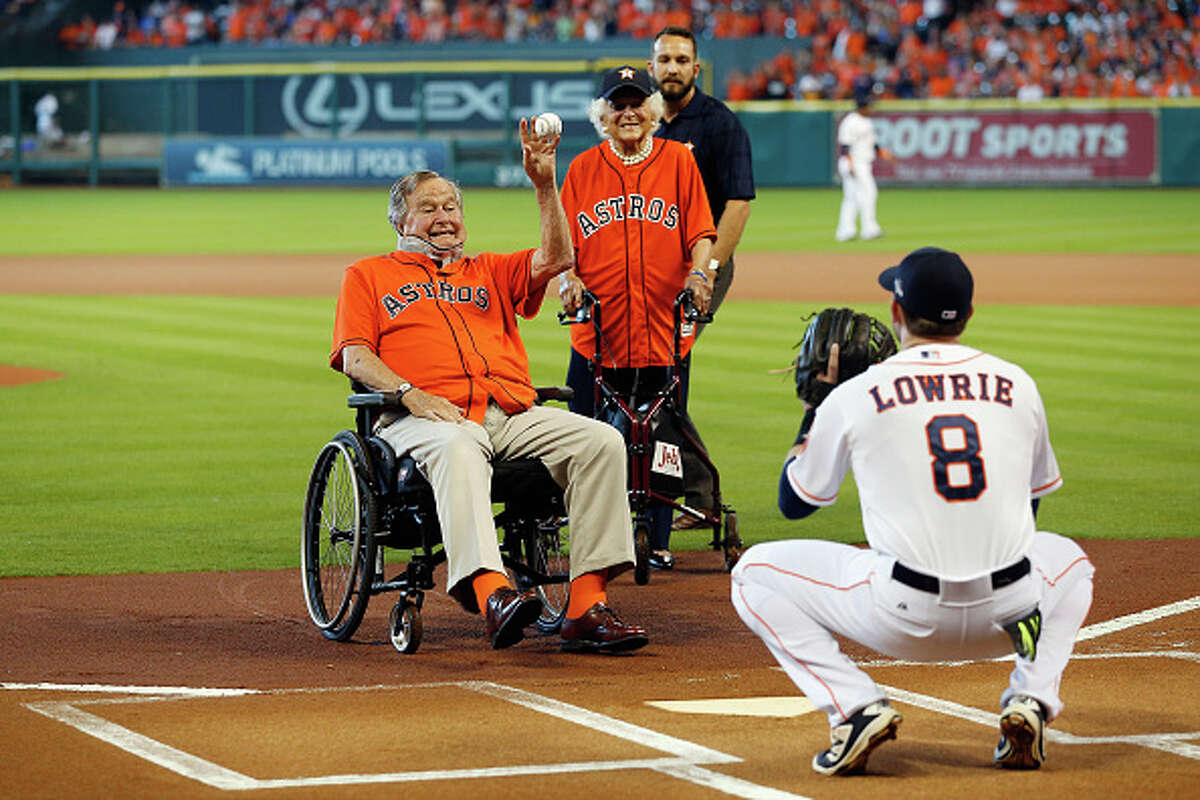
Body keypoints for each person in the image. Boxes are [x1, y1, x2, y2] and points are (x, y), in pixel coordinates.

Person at [731, 247, 1095, 775]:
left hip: (904, 619)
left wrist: (815, 410)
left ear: (896, 314)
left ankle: (854, 708)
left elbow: (796, 504)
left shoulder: (856, 394)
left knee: (752, 574)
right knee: (1073, 564)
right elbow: (1030, 506)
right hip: (1011, 611)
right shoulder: (1018, 383)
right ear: (969, 315)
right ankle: (1032, 699)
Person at [329, 123, 648, 655]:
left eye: (451, 206)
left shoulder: (490, 270)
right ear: (400, 220)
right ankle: (491, 592)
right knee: (460, 445)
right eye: (429, 207)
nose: (444, 216)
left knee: (601, 441)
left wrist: (544, 184)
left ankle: (586, 605)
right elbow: (356, 356)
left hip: (508, 409)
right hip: (423, 419)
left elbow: (557, 259)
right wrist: (411, 394)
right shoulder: (368, 275)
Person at [558, 65, 716, 570]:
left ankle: (658, 535)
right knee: (583, 433)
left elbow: (701, 233)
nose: (628, 113)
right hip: (598, 331)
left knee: (662, 437)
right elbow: (562, 244)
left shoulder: (678, 162)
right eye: (617, 105)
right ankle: (588, 536)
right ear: (602, 114)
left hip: (663, 329)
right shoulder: (583, 168)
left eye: (635, 104)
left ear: (651, 110)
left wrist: (701, 275)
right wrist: (568, 279)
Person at [649, 25, 756, 533]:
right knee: (652, 377)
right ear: (653, 68)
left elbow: (737, 206)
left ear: (696, 68)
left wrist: (706, 271)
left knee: (663, 372)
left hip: (699, 268)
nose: (672, 67)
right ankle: (680, 493)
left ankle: (694, 495)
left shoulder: (719, 125)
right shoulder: (643, 122)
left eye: (681, 59)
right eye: (664, 59)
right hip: (649, 270)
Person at [835, 86, 893, 242]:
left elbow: (872, 142)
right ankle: (869, 229)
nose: (871, 109)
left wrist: (882, 151)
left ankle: (845, 231)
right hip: (854, 162)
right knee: (868, 193)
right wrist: (850, 165)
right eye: (868, 106)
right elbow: (845, 146)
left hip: (861, 162)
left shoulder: (865, 121)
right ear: (862, 107)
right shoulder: (850, 121)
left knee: (852, 197)